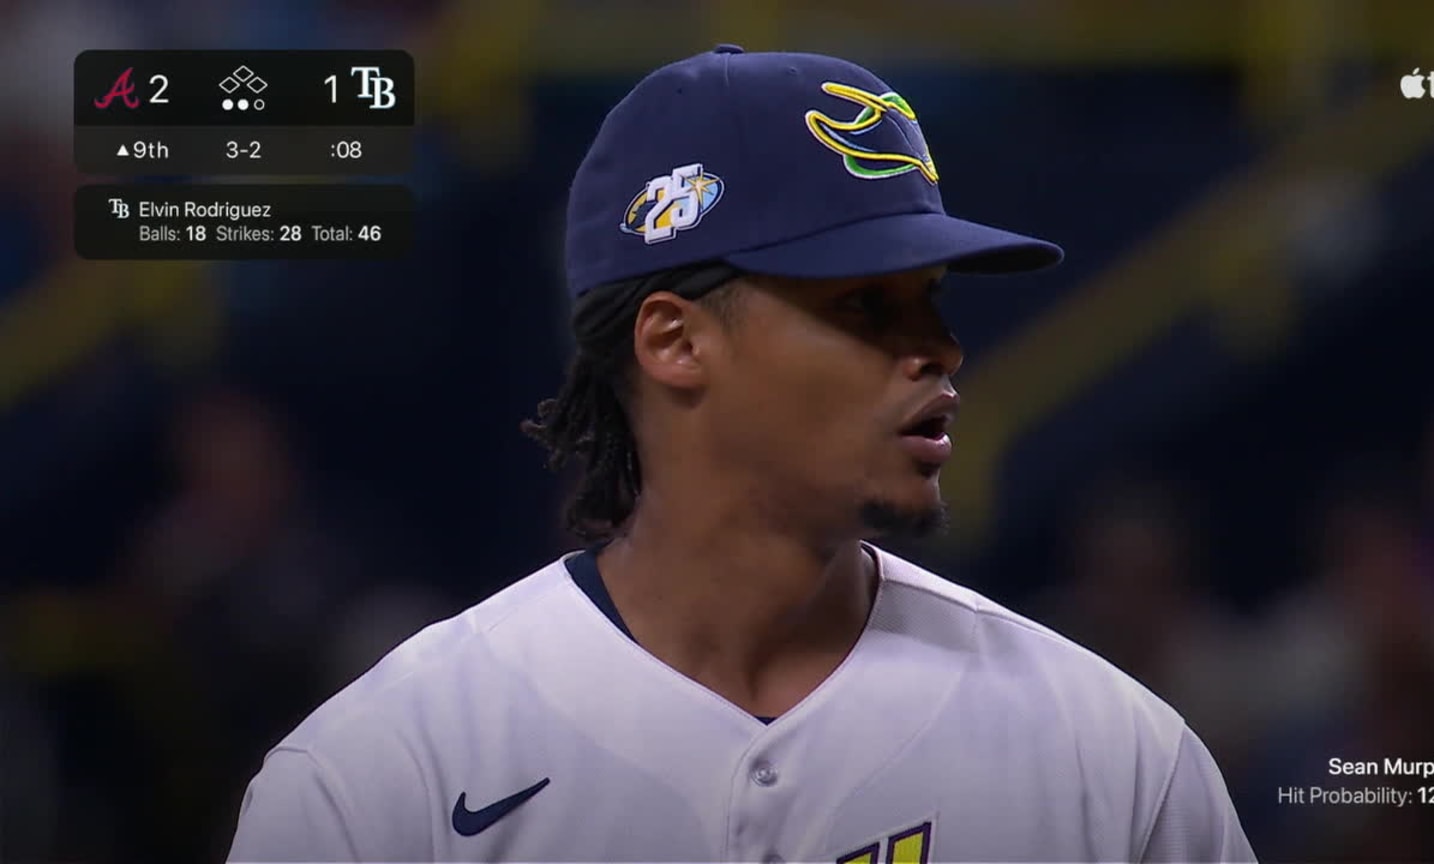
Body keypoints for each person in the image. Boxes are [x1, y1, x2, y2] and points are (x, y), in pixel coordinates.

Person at [227, 45, 1255, 863]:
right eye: (866, 305)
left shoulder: (1110, 756)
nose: (938, 348)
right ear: (676, 342)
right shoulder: (384, 776)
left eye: (932, 299)